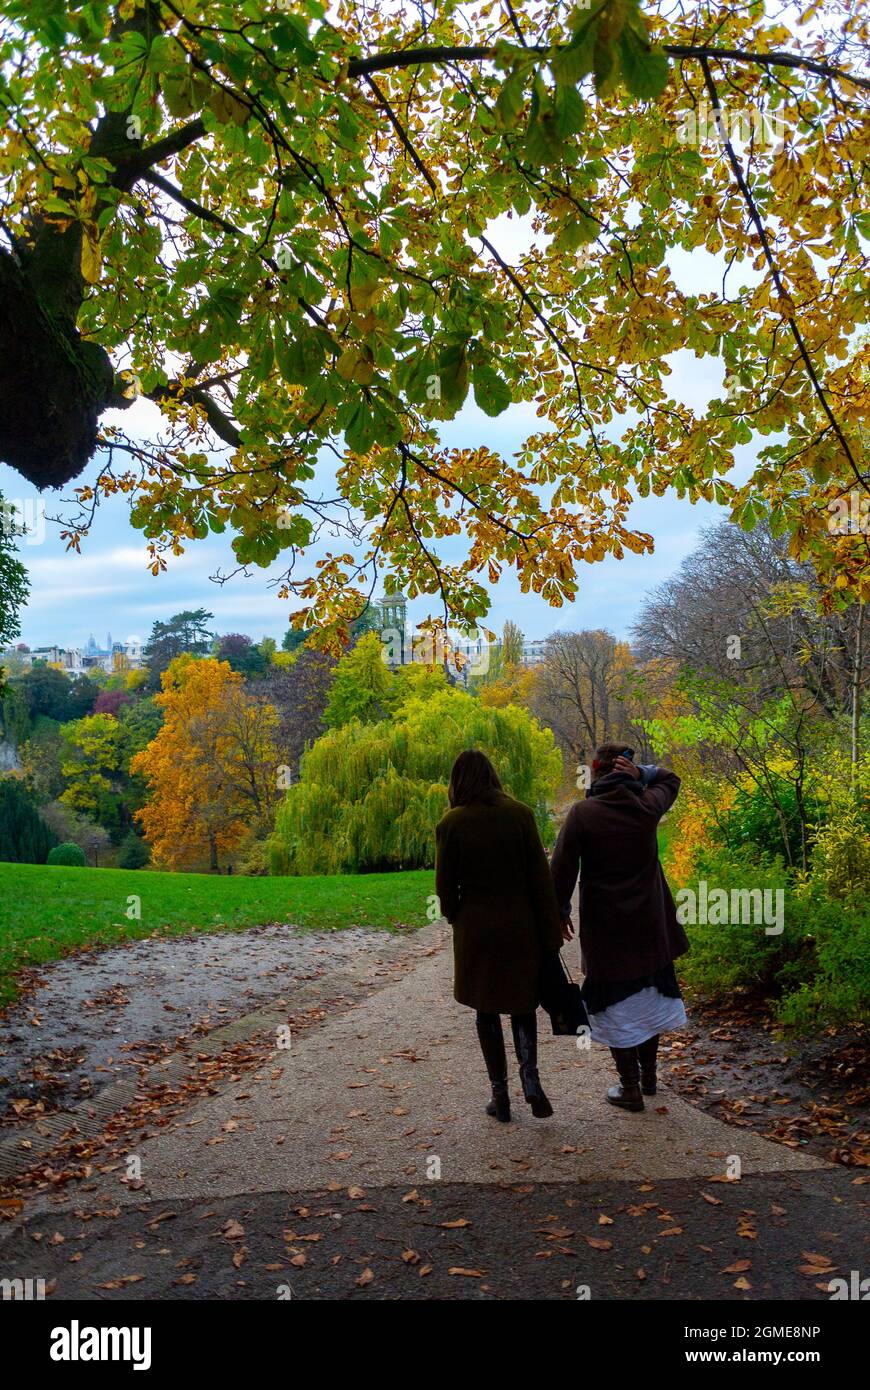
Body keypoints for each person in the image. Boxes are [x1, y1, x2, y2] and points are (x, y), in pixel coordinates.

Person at [549, 743, 688, 1113]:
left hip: (607, 929)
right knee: (648, 995)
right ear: (627, 770)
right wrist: (642, 773)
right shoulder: (647, 807)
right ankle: (649, 1077)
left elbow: (561, 870)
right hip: (650, 925)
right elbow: (670, 778)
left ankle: (630, 1088)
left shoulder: (582, 814)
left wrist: (560, 911)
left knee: (616, 1004)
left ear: (595, 773)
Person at [435, 749, 563, 1123]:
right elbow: (541, 879)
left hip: (477, 930)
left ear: (457, 781)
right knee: (523, 1006)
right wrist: (550, 932)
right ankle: (532, 1082)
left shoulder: (452, 823)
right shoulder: (520, 814)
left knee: (485, 1008)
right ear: (492, 776)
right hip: (520, 926)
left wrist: (455, 914)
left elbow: (445, 887)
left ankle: (500, 1096)